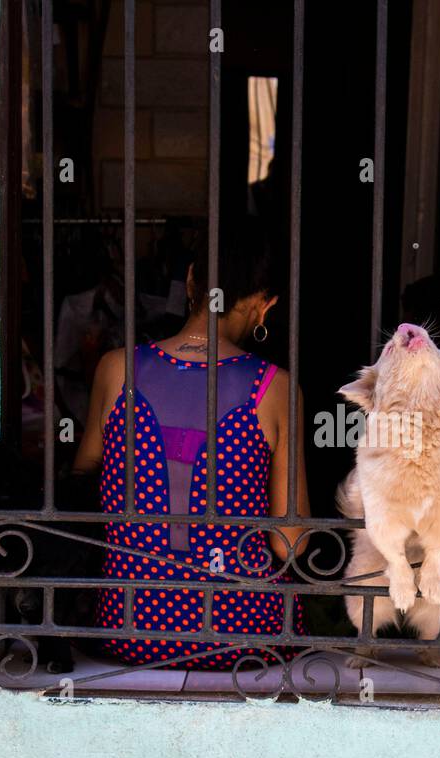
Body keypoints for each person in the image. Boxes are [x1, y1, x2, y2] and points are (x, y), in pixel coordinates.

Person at [73, 225, 310, 668]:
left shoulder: (117, 369)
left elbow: (80, 495)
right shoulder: (275, 389)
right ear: (266, 306)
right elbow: (289, 544)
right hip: (242, 638)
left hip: (130, 626)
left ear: (191, 281)